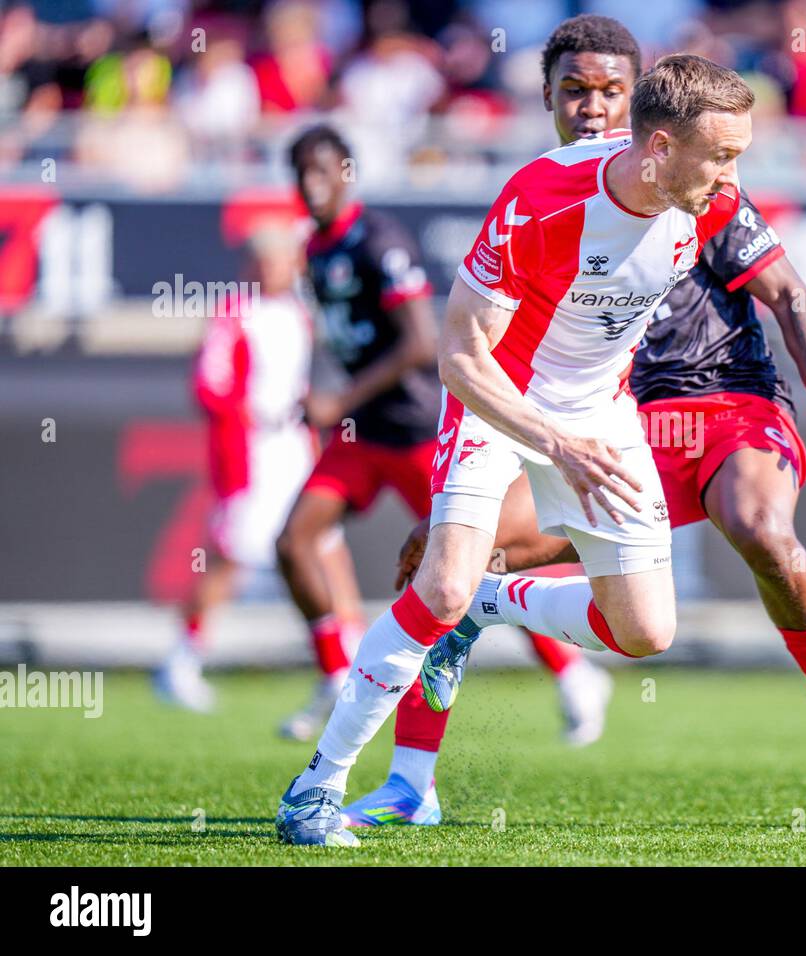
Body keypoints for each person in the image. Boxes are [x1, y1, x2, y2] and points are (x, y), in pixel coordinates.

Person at [407, 14, 806, 821]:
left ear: (647, 114)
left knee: (760, 527)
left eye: (612, 92)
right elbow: (482, 336)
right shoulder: (543, 198)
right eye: (575, 92)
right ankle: (410, 781)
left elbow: (790, 294)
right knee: (448, 559)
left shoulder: (697, 184)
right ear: (548, 100)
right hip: (621, 421)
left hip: (728, 398)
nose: (593, 108)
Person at [275, 52, 757, 846]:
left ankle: (489, 606)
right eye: (723, 155)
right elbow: (459, 356)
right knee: (437, 588)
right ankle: (316, 789)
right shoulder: (543, 199)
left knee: (645, 634)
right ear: (662, 149)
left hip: (600, 413)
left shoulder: (711, 200)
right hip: (497, 399)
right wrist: (551, 439)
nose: (734, 176)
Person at [278, 124, 609, 830]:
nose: (310, 185)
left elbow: (424, 343)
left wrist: (340, 396)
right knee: (294, 541)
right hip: (362, 435)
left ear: (346, 174)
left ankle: (572, 673)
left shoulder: (380, 242)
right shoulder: (314, 249)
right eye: (298, 173)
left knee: (460, 578)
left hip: (420, 428)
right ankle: (340, 674)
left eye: (321, 171)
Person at [155, 226, 363, 713]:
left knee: (327, 545)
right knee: (232, 556)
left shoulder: (299, 313)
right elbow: (209, 383)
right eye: (268, 260)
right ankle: (182, 659)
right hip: (251, 453)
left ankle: (348, 653)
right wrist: (243, 412)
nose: (277, 268)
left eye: (284, 259)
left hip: (295, 446)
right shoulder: (233, 312)